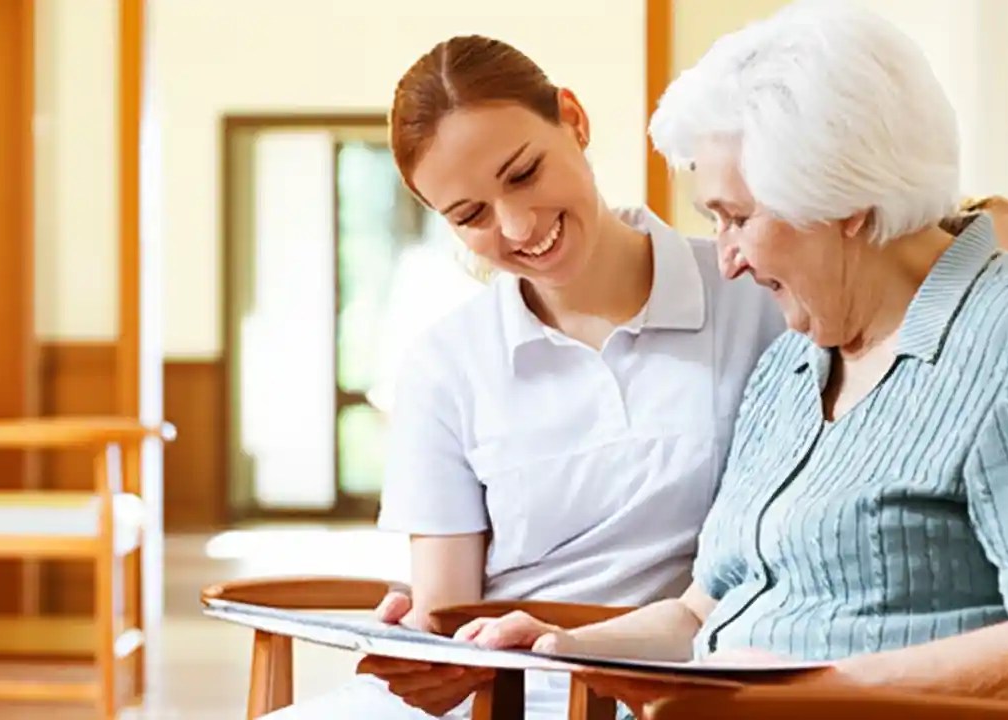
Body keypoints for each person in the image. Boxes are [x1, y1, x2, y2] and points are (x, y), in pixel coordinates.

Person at [440, 0, 1008, 714]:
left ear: (845, 202)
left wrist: (827, 692)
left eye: (737, 218)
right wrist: (562, 645)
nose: (728, 259)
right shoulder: (792, 365)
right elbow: (701, 614)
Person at [262, 34, 786, 720]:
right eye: (470, 216)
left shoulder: (756, 298)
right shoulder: (446, 364)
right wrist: (416, 645)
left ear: (573, 119)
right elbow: (446, 613)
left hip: (671, 687)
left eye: (524, 173)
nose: (517, 225)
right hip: (496, 692)